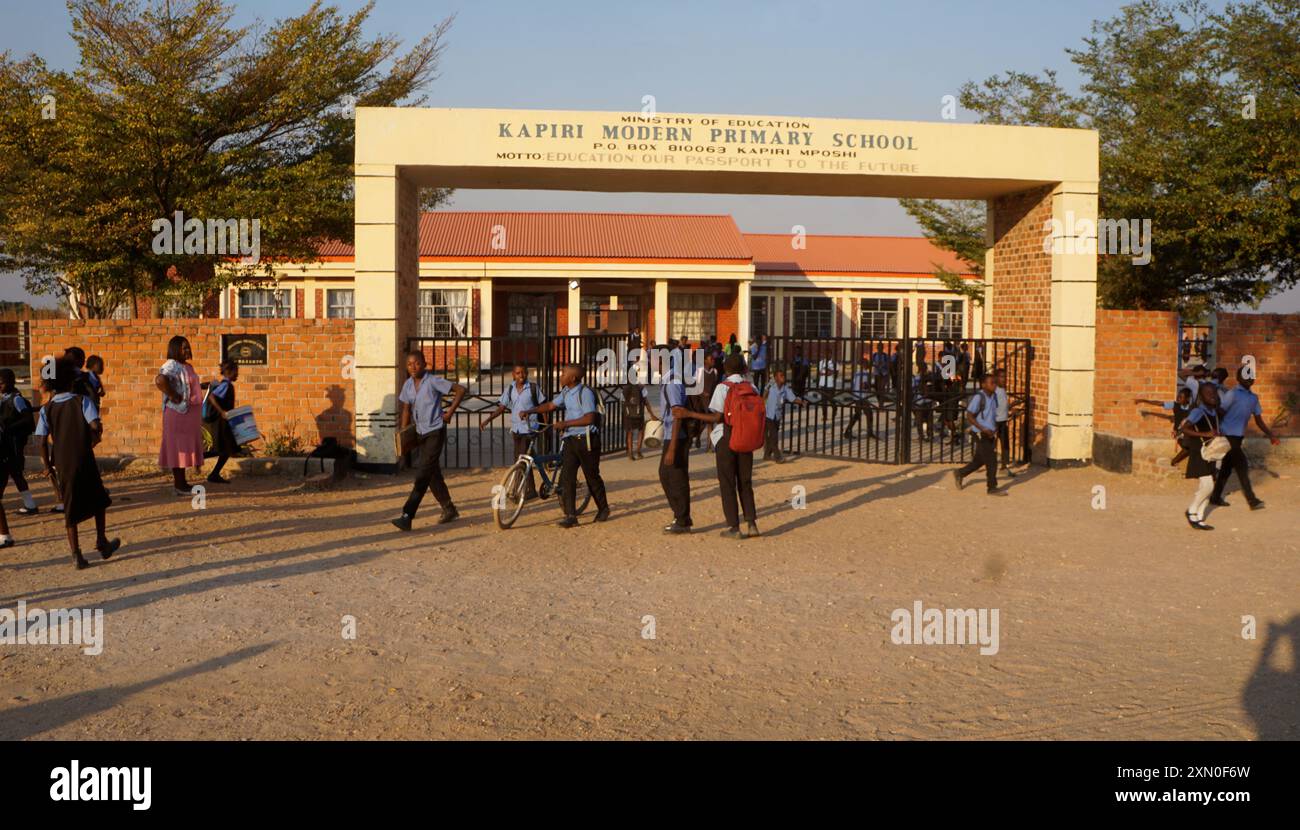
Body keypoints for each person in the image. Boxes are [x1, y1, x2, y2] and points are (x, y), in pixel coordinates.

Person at [36, 358, 119, 569]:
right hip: (84, 459)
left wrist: (47, 466)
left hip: (62, 465)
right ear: (71, 380)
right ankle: (102, 541)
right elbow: (95, 425)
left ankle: (76, 555)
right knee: (99, 499)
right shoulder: (82, 401)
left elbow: (41, 441)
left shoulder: (46, 410)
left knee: (70, 508)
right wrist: (94, 438)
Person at [675, 354, 761, 539]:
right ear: (744, 369)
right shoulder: (752, 387)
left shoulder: (723, 388)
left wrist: (690, 413)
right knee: (745, 482)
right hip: (746, 438)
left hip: (726, 438)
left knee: (727, 483)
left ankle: (734, 527)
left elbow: (717, 417)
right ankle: (752, 523)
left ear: (726, 369)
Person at [523, 364, 610, 528]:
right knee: (567, 478)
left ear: (573, 378)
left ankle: (603, 508)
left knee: (592, 477)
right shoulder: (566, 392)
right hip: (571, 440)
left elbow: (590, 418)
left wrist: (565, 423)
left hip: (587, 441)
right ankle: (571, 515)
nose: (561, 376)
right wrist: (530, 411)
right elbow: (550, 406)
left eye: (563, 373)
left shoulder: (585, 393)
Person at [390, 351, 465, 531]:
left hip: (435, 431)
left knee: (423, 473)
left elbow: (461, 390)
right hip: (419, 433)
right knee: (432, 472)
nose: (413, 367)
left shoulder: (433, 381)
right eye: (409, 364)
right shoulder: (408, 385)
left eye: (416, 363)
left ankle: (407, 515)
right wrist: (403, 432)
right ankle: (449, 508)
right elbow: (406, 409)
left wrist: (449, 413)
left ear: (424, 364)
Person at [1210, 367, 1280, 510]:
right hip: (1227, 437)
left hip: (1238, 438)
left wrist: (1270, 435)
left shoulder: (1253, 398)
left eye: (1251, 377)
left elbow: (1259, 420)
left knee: (1226, 469)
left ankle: (1215, 497)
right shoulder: (1232, 394)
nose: (1249, 379)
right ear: (1239, 378)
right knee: (1242, 467)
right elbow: (1221, 411)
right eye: (1246, 377)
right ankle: (1252, 500)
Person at [480, 364, 546, 499]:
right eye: (518, 373)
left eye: (523, 372)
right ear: (513, 375)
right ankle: (532, 490)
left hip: (530, 429)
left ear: (527, 374)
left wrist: (545, 426)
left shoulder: (533, 388)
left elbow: (543, 407)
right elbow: (501, 407)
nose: (521, 375)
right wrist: (488, 419)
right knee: (523, 459)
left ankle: (516, 491)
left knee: (520, 461)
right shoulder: (510, 389)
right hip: (516, 430)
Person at [155, 336, 205, 495]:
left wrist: (203, 386)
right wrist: (173, 395)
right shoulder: (171, 365)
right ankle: (179, 485)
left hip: (189, 415)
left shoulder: (186, 366)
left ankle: (182, 483)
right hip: (178, 414)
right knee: (178, 448)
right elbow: (160, 380)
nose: (187, 350)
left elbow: (187, 385)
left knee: (183, 447)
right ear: (175, 349)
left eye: (188, 347)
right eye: (184, 348)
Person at [952, 373, 1005, 496]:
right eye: (991, 383)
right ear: (983, 384)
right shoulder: (979, 397)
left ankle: (960, 473)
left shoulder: (994, 396)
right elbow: (969, 415)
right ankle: (992, 487)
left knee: (980, 460)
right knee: (992, 460)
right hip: (981, 432)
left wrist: (994, 428)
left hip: (990, 432)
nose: (994, 385)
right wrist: (982, 428)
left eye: (995, 382)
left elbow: (991, 414)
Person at [1181, 383, 1225, 530]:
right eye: (1208, 393)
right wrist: (1204, 434)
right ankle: (1191, 510)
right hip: (1199, 452)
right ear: (1201, 396)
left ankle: (1199, 518)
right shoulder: (1198, 412)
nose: (1212, 396)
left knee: (1207, 486)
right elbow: (1184, 428)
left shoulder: (1216, 412)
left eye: (1214, 393)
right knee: (1208, 485)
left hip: (1212, 452)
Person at [0, 368, 38, 516]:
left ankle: (31, 506)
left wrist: (8, 427)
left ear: (11, 382)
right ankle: (30, 505)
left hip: (13, 445)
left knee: (11, 473)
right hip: (7, 444)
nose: (0, 386)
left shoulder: (16, 399)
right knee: (12, 474)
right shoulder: (5, 397)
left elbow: (27, 418)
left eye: (2, 383)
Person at [658, 365, 692, 534]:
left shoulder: (672, 382)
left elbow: (677, 413)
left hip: (676, 437)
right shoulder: (667, 380)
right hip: (671, 436)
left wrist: (672, 447)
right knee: (667, 475)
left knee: (675, 477)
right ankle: (681, 516)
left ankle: (682, 519)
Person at [1136, 387, 1194, 466]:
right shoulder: (1175, 405)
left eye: (1181, 397)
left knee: (1191, 447)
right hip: (1179, 433)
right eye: (1178, 396)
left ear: (1187, 399)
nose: (1178, 398)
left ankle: (1175, 462)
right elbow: (1159, 403)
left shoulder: (1192, 408)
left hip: (1189, 433)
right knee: (1188, 449)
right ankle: (1173, 462)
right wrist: (1144, 401)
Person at [202, 360, 240, 484]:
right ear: (228, 372)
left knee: (227, 449)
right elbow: (212, 397)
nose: (237, 375)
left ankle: (214, 474)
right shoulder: (225, 385)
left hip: (225, 423)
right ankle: (198, 457)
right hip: (220, 423)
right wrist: (222, 412)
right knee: (221, 448)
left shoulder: (227, 385)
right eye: (236, 372)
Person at [763, 368, 806, 462]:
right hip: (768, 415)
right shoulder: (771, 386)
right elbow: (764, 396)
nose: (783, 377)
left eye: (783, 375)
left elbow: (792, 398)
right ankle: (778, 457)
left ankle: (767, 455)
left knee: (772, 436)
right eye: (781, 375)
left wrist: (801, 402)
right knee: (774, 436)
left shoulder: (785, 389)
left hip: (777, 416)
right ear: (775, 377)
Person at [992, 368, 1018, 478]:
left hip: (1003, 421)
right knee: (990, 446)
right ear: (996, 378)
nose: (1005, 379)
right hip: (995, 422)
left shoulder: (1003, 390)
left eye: (1005, 377)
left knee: (1005, 445)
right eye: (1002, 377)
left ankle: (1004, 467)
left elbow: (1003, 406)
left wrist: (1011, 407)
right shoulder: (995, 390)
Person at [620, 378, 652, 460]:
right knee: (641, 431)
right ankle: (638, 451)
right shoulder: (641, 388)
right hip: (639, 414)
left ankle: (630, 452)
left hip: (628, 415)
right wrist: (651, 414)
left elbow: (622, 402)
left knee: (630, 433)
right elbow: (646, 402)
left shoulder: (624, 389)